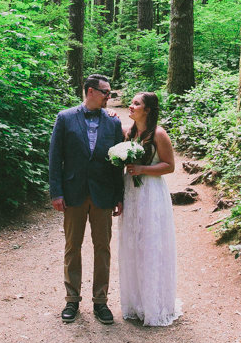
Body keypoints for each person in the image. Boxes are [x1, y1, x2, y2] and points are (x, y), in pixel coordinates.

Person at [48, 74, 124, 324]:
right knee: (73, 247)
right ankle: (72, 300)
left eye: (110, 93)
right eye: (106, 92)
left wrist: (118, 195)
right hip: (73, 193)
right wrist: (56, 192)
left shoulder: (113, 122)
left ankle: (100, 302)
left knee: (103, 248)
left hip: (102, 194)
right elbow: (55, 158)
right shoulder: (65, 117)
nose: (109, 97)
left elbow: (117, 163)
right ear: (90, 91)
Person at [119, 91, 182, 326]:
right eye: (131, 102)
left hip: (151, 194)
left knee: (151, 244)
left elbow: (170, 166)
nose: (131, 105)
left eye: (136, 103)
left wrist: (143, 170)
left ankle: (155, 304)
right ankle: (136, 303)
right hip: (131, 193)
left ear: (147, 110)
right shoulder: (129, 132)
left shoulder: (158, 133)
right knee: (132, 243)